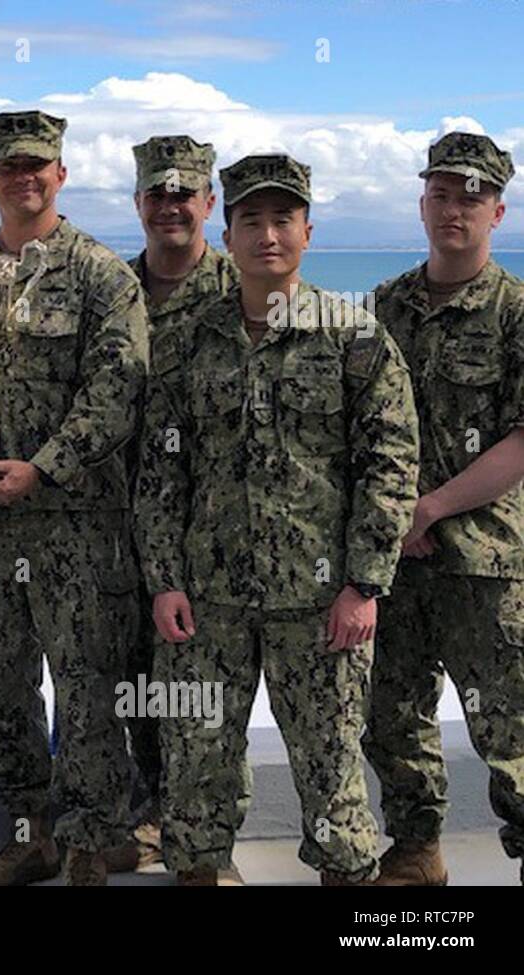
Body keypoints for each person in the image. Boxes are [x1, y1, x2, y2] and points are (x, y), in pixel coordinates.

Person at [135, 154, 420, 885]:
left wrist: (364, 584)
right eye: (250, 219)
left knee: (332, 776)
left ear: (308, 231)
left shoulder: (354, 339)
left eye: (283, 218)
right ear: (225, 232)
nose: (268, 233)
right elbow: (162, 472)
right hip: (209, 601)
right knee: (196, 770)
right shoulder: (188, 344)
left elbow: (391, 465)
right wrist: (166, 580)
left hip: (320, 605)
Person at [0, 110, 149, 886]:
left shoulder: (102, 274)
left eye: (38, 166)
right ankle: (30, 833)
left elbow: (118, 390)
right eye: (10, 166)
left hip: (76, 527)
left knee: (87, 691)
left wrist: (43, 464)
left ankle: (89, 847)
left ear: (60, 175)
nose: (24, 177)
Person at [363, 132, 524, 886]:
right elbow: (348, 423)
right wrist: (395, 520)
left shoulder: (516, 313)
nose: (452, 208)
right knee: (391, 715)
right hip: (392, 557)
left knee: (511, 726)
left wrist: (428, 509)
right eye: (440, 193)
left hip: (484, 560)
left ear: (498, 209)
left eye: (470, 196)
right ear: (421, 203)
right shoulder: (382, 306)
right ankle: (416, 850)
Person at [109, 134, 241, 873]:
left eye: (184, 193)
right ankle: (149, 816)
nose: (170, 205)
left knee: (203, 696)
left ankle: (208, 841)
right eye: (156, 194)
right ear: (138, 203)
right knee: (130, 681)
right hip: (117, 524)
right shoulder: (113, 292)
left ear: (208, 203)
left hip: (209, 531)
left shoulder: (241, 292)